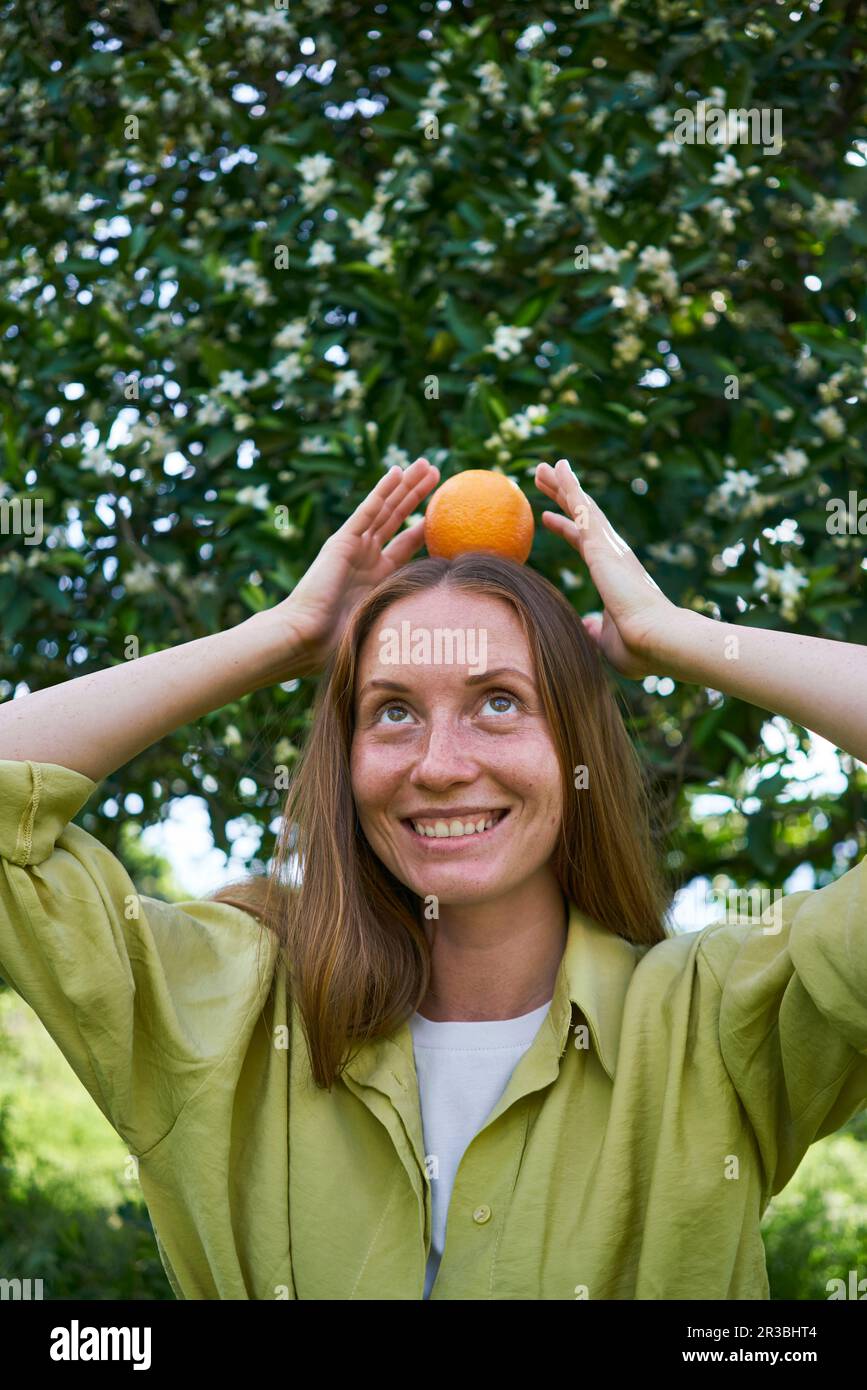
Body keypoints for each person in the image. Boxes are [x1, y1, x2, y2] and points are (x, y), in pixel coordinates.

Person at [0, 456, 865, 1300]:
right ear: (347, 762)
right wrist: (279, 639)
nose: (440, 766)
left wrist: (675, 636)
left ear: (575, 746)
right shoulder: (224, 1009)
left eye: (498, 701)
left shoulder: (722, 1023)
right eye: (393, 711)